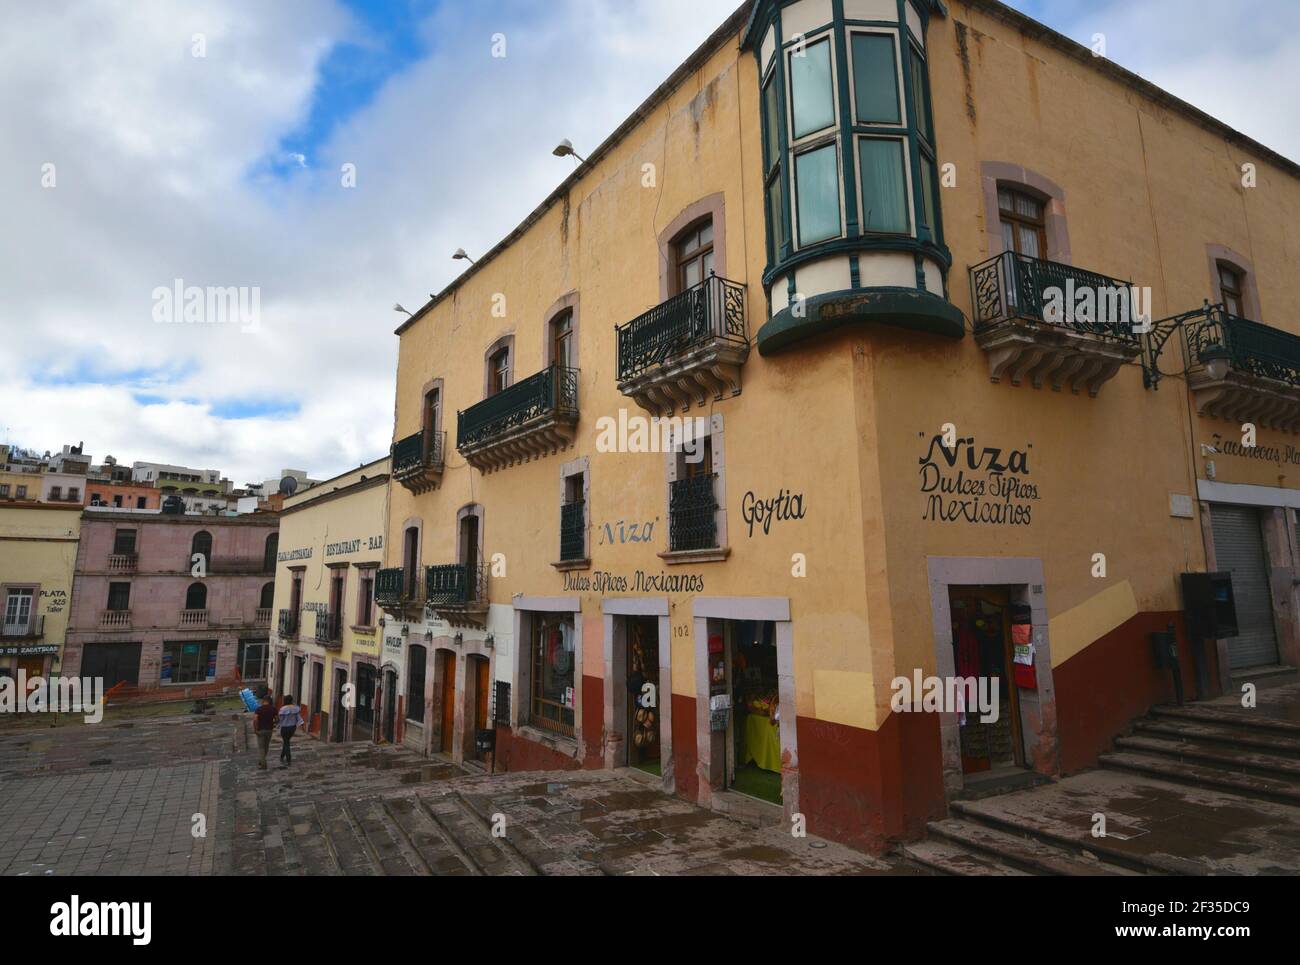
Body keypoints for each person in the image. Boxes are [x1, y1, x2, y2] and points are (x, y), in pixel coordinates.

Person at [277, 694, 306, 768]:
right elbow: (298, 718)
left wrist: (277, 725)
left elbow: (280, 719)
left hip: (284, 728)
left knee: (286, 742)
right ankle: (282, 756)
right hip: (292, 728)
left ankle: (288, 759)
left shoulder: (283, 709)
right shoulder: (295, 708)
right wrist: (302, 725)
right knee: (286, 741)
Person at [252, 693, 277, 770]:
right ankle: (261, 760)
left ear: (263, 701)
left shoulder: (259, 709)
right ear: (270, 701)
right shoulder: (273, 709)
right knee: (266, 746)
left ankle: (263, 764)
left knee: (261, 747)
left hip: (260, 730)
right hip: (269, 730)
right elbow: (277, 719)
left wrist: (256, 729)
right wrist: (273, 724)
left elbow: (255, 719)